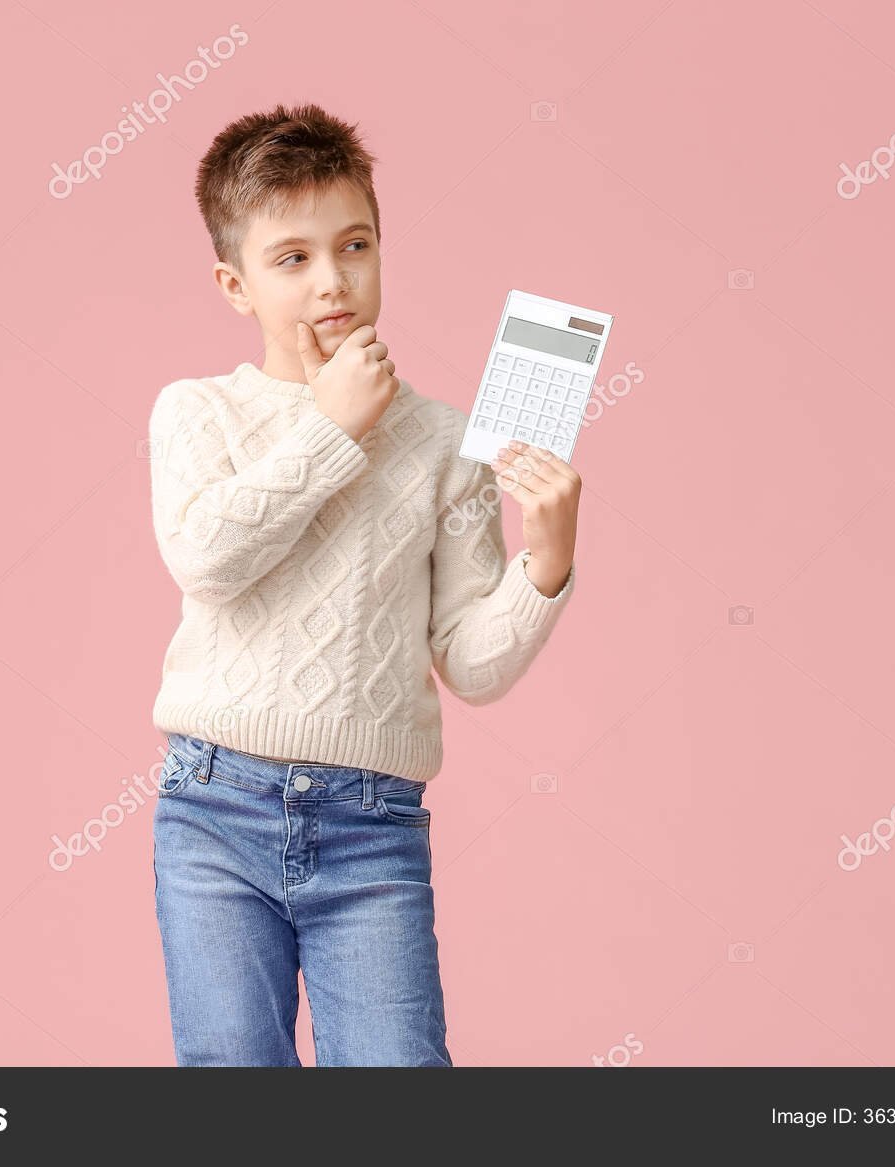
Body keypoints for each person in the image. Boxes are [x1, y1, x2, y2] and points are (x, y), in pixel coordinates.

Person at [148, 103, 580, 1066]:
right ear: (235, 283)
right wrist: (330, 427)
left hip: (371, 824)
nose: (333, 280)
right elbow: (208, 560)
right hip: (216, 804)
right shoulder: (197, 413)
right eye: (291, 258)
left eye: (355, 244)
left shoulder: (441, 443)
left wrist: (543, 563)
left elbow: (469, 661)